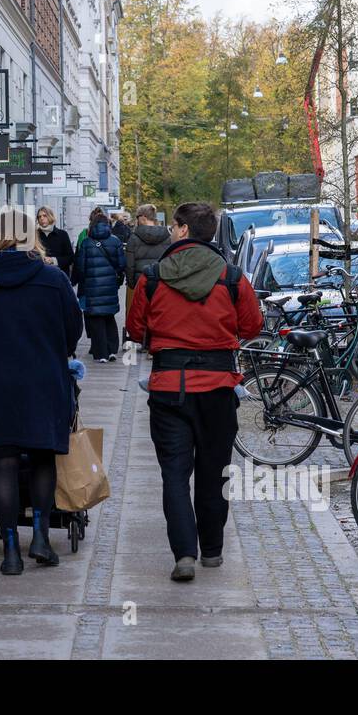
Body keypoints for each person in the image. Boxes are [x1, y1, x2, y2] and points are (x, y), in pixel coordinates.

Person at [124, 201, 263, 581]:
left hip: (169, 387)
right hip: (218, 388)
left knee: (174, 474)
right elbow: (252, 327)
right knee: (214, 471)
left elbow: (136, 330)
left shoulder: (152, 278)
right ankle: (213, 551)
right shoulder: (233, 277)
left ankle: (184, 554)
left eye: (174, 226)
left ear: (184, 230)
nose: (171, 230)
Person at [0, 209, 82, 576]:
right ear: (32, 235)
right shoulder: (52, 277)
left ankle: (11, 550)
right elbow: (73, 330)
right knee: (43, 457)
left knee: (2, 462)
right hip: (43, 379)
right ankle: (40, 537)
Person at [72, 208, 126, 362]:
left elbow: (80, 267)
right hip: (109, 286)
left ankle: (101, 353)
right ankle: (112, 350)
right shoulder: (115, 241)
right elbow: (121, 264)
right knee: (109, 316)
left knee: (96, 320)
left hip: (92, 286)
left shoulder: (87, 243)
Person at [125, 204, 171, 309]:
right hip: (161, 285)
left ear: (143, 218)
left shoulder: (133, 238)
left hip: (140, 284)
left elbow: (129, 266)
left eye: (137, 217)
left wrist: (132, 284)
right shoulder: (168, 237)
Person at [36, 206, 74, 275]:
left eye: (44, 216)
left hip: (59, 275)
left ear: (50, 216)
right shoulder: (35, 235)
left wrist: (53, 260)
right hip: (40, 275)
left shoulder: (62, 234)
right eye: (39, 217)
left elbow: (70, 257)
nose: (41, 218)